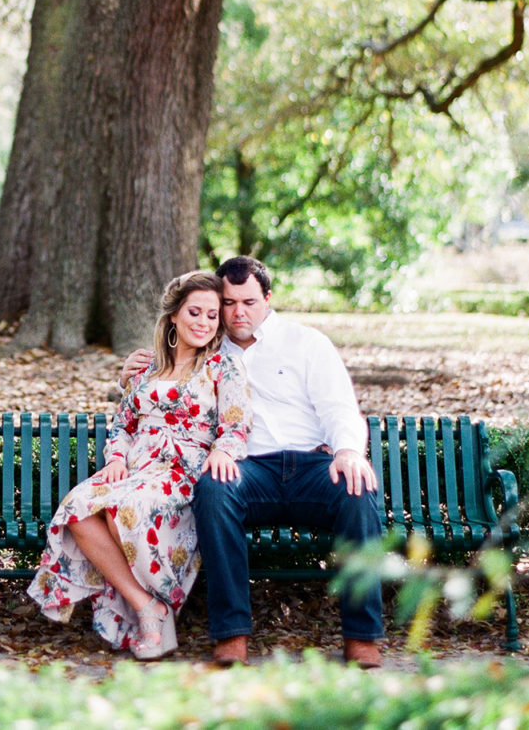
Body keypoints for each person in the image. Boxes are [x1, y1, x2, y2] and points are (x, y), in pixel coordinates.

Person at [120, 255, 384, 668]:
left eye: (249, 302)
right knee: (214, 490)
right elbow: (160, 390)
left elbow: (338, 407)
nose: (238, 312)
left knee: (357, 489)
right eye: (228, 303)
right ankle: (231, 634)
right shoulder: (207, 350)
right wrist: (128, 376)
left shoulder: (305, 342)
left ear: (268, 299)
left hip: (311, 466)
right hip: (249, 469)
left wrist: (348, 450)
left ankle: (362, 636)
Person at [28, 270, 251, 660]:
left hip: (182, 472)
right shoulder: (147, 368)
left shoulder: (222, 366)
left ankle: (153, 616)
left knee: (124, 508)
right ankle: (148, 606)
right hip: (137, 468)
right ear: (174, 316)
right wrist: (116, 458)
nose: (203, 322)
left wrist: (223, 451)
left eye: (212, 315)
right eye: (194, 312)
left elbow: (236, 424)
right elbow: (123, 425)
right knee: (77, 508)